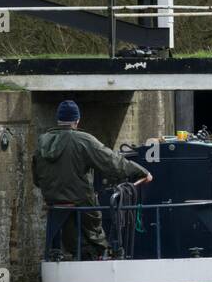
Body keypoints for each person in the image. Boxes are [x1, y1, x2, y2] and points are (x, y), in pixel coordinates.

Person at [32, 100, 152, 261]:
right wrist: (140, 172)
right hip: (80, 200)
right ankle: (101, 252)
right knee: (93, 220)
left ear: (58, 119)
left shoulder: (42, 142)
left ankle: (70, 253)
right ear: (77, 120)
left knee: (69, 226)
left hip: (54, 201)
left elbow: (37, 178)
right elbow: (110, 161)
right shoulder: (83, 140)